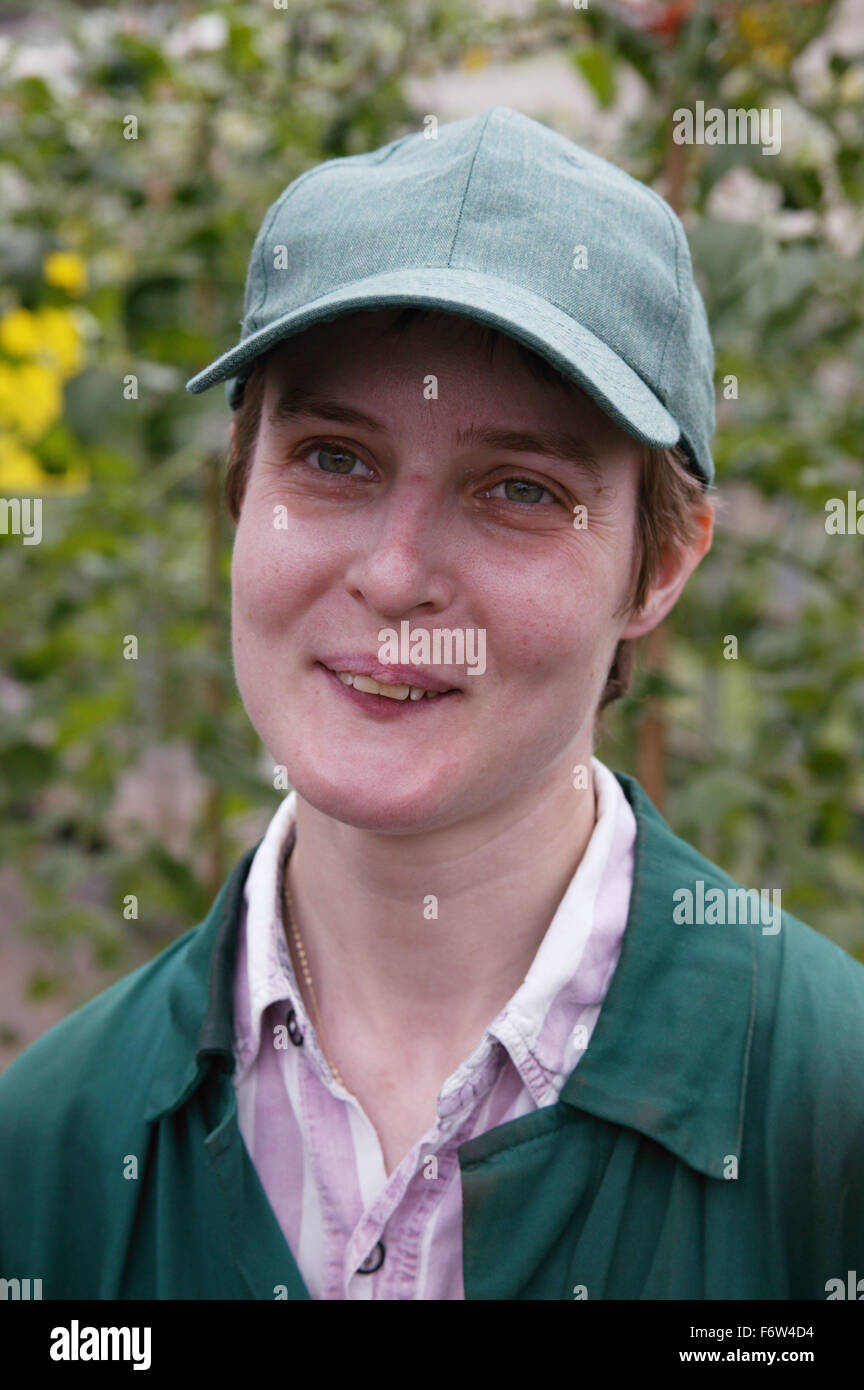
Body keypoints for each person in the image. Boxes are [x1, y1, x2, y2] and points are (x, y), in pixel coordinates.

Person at [1, 106, 862, 1302]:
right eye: (335, 459)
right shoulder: (43, 1156)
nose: (397, 573)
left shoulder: (832, 1121)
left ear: (661, 567)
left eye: (518, 487)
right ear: (241, 491)